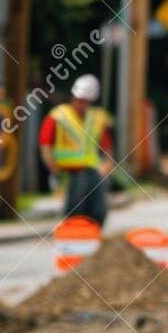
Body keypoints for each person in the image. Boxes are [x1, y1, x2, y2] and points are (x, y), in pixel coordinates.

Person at [38, 75, 113, 225]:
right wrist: (53, 167)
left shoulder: (96, 118)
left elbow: (107, 148)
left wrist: (107, 166)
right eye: (80, 100)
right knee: (75, 206)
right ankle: (73, 231)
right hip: (67, 172)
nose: (82, 104)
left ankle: (93, 231)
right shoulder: (58, 116)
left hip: (91, 171)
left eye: (86, 101)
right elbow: (45, 145)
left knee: (98, 210)